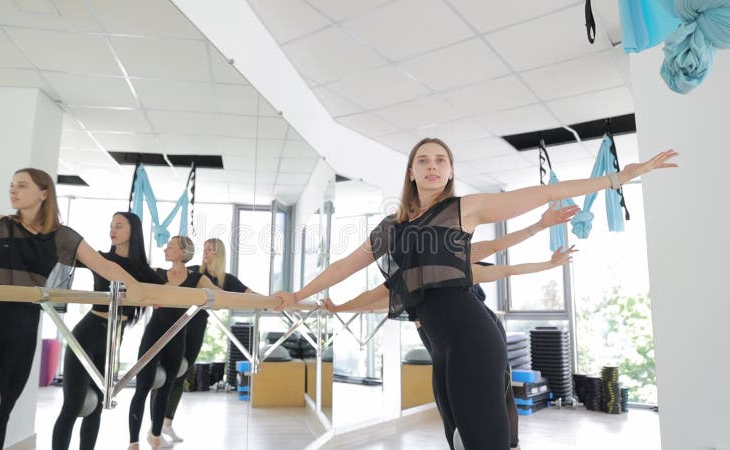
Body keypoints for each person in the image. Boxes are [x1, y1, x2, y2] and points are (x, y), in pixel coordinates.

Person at [275, 138, 677, 449]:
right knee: (457, 437)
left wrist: (617, 178)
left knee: (483, 439)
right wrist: (299, 295)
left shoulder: (464, 209)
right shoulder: (392, 229)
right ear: (411, 173)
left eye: (441, 160)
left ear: (450, 171)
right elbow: (347, 267)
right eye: (423, 161)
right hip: (440, 345)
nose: (433, 166)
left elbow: (542, 194)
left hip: (473, 336)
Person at [325, 203, 580, 450]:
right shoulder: (407, 278)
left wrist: (543, 244)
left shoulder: (452, 264)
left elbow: (504, 264)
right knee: (454, 416)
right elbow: (372, 297)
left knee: (497, 400)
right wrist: (339, 307)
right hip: (442, 341)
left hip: (479, 333)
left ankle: (511, 445)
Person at [0, 168, 142, 450]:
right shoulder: (0, 224)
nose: (13, 190)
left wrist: (143, 290)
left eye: (22, 185)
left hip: (22, 325)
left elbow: (105, 266)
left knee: (0, 413)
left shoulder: (62, 237)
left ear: (43, 193)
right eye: (12, 185)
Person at [52, 212, 163, 450]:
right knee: (72, 405)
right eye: (111, 226)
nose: (112, 230)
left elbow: (165, 295)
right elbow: (67, 255)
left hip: (112, 341)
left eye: (119, 226)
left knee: (96, 406)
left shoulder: (143, 270)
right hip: (86, 335)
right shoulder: (101, 259)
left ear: (134, 231)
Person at [160, 238, 258, 443]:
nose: (206, 253)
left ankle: (167, 424)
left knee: (182, 375)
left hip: (197, 328)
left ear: (219, 254)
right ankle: (156, 427)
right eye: (204, 249)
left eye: (210, 250)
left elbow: (249, 294)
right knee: (168, 374)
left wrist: (274, 301)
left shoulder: (227, 280)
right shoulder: (194, 271)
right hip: (179, 323)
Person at [128, 236, 222, 450]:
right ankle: (133, 442)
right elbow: (133, 281)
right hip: (153, 335)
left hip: (177, 337)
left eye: (170, 246)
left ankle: (155, 435)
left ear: (183, 252)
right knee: (142, 388)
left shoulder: (197, 278)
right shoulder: (157, 274)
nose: (165, 249)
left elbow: (218, 295)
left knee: (166, 388)